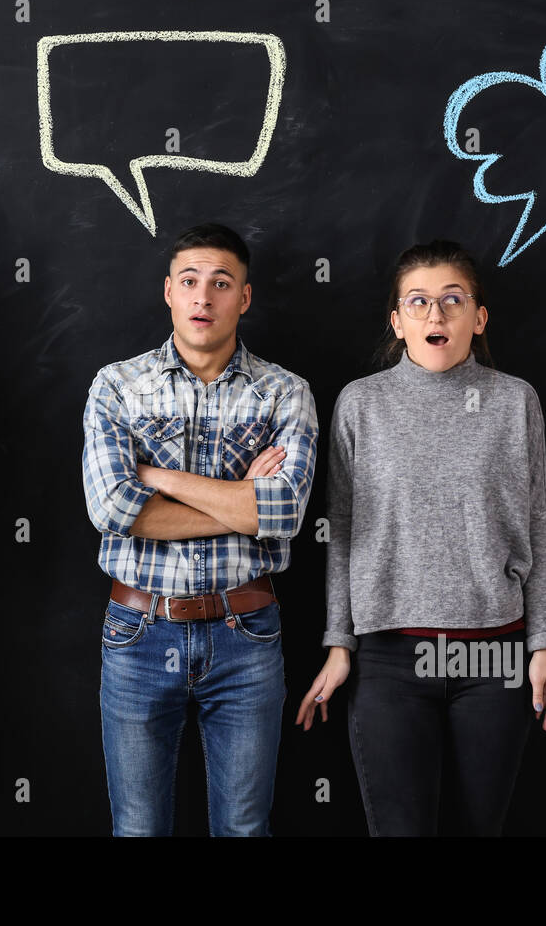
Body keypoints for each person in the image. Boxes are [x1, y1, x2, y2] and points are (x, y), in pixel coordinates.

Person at [296, 239, 546, 836]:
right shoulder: (361, 405)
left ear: (478, 318)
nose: (436, 315)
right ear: (396, 322)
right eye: (418, 302)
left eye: (453, 300)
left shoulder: (514, 401)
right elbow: (341, 531)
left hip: (493, 656)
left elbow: (538, 525)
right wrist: (339, 641)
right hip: (389, 658)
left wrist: (543, 642)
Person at [82, 222, 319, 836]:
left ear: (244, 297)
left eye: (221, 283)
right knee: (138, 830)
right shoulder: (117, 386)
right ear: (168, 290)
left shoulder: (284, 393)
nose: (203, 297)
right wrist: (243, 501)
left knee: (244, 828)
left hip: (247, 636)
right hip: (137, 630)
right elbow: (111, 511)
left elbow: (286, 515)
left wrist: (157, 476)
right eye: (189, 281)